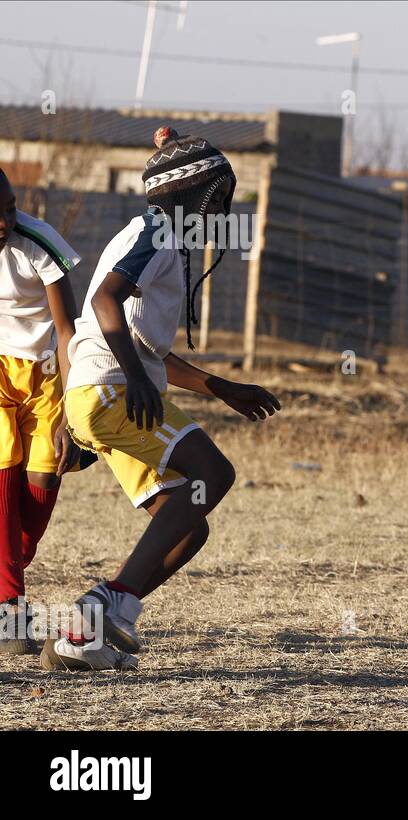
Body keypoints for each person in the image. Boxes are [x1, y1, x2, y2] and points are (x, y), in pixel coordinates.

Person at [42, 127, 281, 672]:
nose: (223, 211)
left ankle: (84, 637)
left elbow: (148, 351)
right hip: (111, 390)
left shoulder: (152, 236)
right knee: (213, 474)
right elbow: (104, 302)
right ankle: (110, 603)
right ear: (192, 197)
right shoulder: (159, 233)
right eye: (218, 198)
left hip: (103, 390)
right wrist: (137, 379)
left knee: (187, 524)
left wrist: (222, 388)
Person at [0, 168, 86, 655]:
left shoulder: (38, 242)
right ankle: (10, 610)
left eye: (10, 207)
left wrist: (72, 413)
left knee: (40, 492)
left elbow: (68, 329)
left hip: (47, 376)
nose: (5, 219)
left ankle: (5, 575)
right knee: (3, 476)